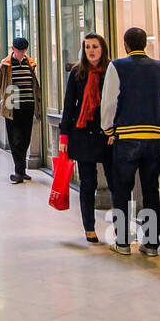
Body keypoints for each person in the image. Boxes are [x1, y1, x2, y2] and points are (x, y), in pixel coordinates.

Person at [99, 26, 160, 256]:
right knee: (151, 189)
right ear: (145, 44)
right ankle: (151, 244)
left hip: (126, 137)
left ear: (125, 44)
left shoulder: (117, 66)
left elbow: (110, 101)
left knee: (122, 189)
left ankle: (122, 242)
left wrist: (107, 128)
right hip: (153, 138)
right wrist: (159, 125)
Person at [60, 33, 112, 244]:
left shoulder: (111, 72)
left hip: (107, 135)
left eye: (95, 47)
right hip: (82, 134)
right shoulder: (77, 73)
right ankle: (89, 227)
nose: (91, 50)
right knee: (88, 184)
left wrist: (115, 130)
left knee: (115, 183)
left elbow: (117, 103)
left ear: (103, 49)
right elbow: (69, 105)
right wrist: (64, 136)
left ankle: (120, 228)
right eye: (88, 47)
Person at [0, 36, 43, 183]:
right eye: (18, 50)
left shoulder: (30, 63)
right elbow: (1, 85)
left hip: (28, 104)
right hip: (13, 104)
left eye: (23, 50)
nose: (21, 53)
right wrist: (4, 102)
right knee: (15, 138)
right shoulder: (6, 64)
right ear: (13, 49)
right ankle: (19, 171)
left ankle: (21, 170)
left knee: (25, 138)